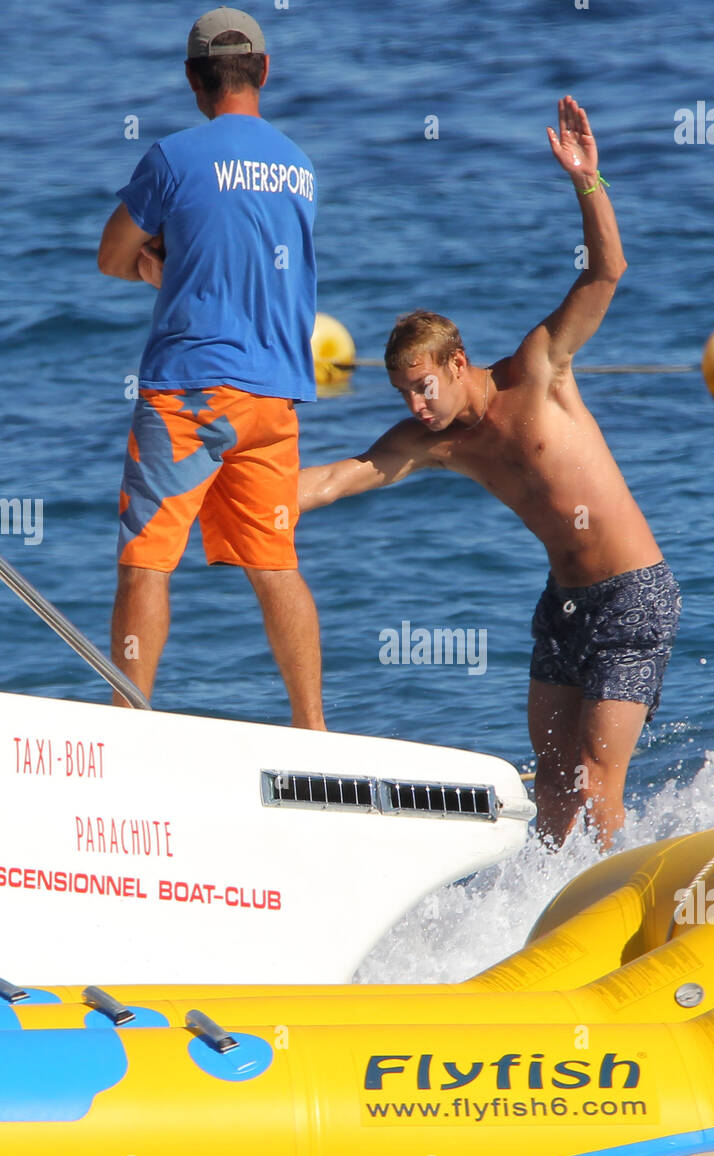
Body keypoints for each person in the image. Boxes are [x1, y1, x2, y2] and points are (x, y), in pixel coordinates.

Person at [298, 97, 681, 846]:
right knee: (551, 787)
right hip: (562, 607)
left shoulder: (539, 371)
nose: (416, 404)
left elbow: (608, 272)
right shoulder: (434, 441)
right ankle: (543, 929)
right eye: (404, 392)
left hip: (634, 596)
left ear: (458, 363)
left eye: (424, 386)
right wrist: (233, 494)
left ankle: (625, 924)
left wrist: (587, 181)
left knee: (600, 780)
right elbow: (340, 478)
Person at [97, 7, 325, 728]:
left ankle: (129, 723)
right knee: (275, 566)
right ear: (264, 71)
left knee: (146, 564)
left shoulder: (172, 157)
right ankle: (314, 729)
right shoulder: (300, 167)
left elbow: (110, 255)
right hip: (277, 397)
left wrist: (153, 269)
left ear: (194, 80)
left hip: (191, 393)